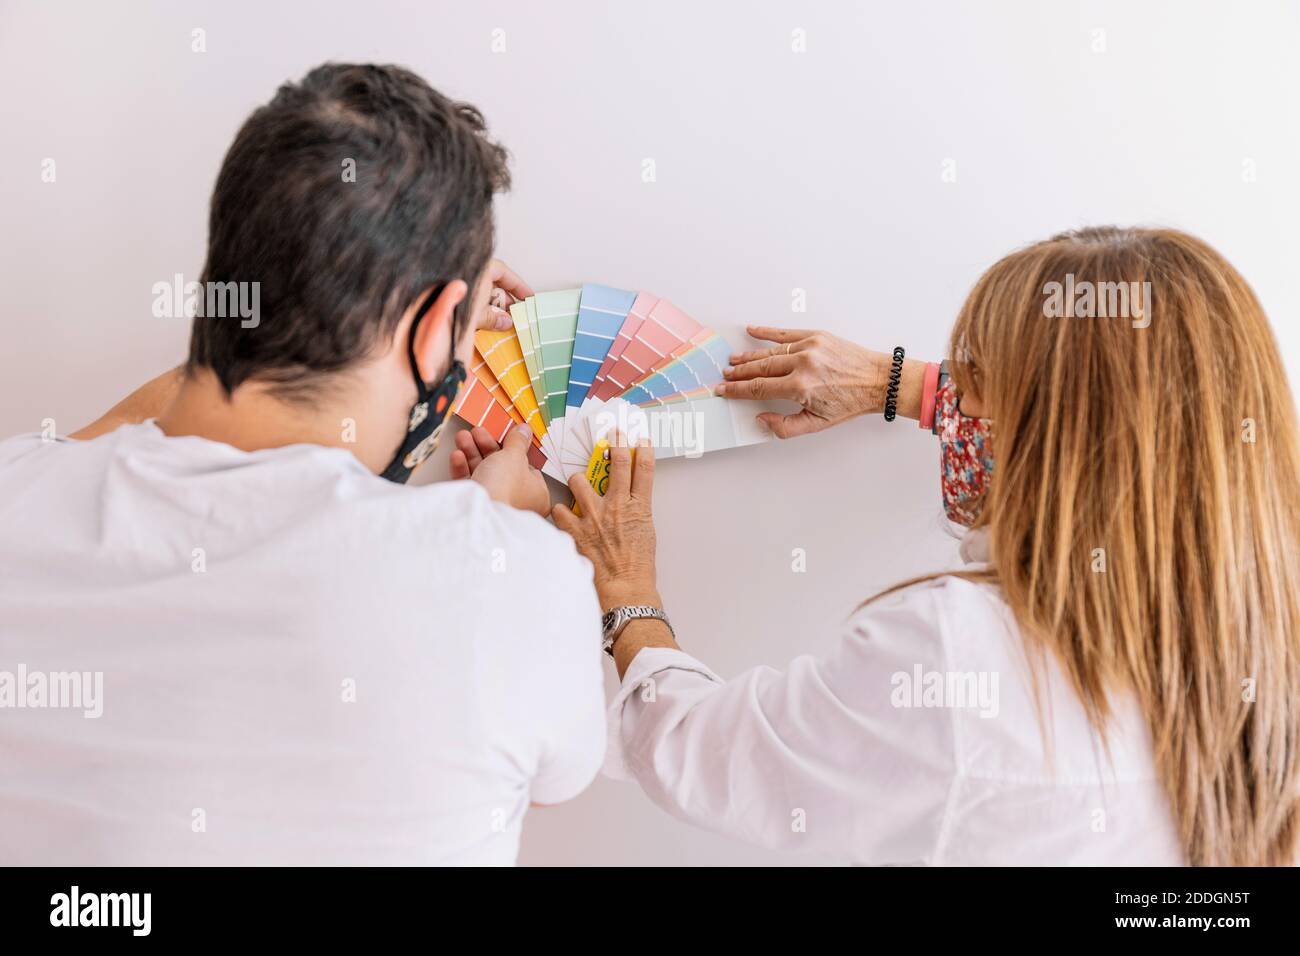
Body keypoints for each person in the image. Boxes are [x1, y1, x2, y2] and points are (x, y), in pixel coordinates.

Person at [0, 63, 602, 865]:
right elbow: (560, 779)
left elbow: (110, 437)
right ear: (432, 337)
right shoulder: (517, 579)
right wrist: (495, 523)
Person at [549, 227, 1300, 865]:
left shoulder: (960, 655)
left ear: (1049, 434)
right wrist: (901, 384)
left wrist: (627, 591)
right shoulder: (1270, 625)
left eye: (976, 385)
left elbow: (707, 754)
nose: (960, 408)